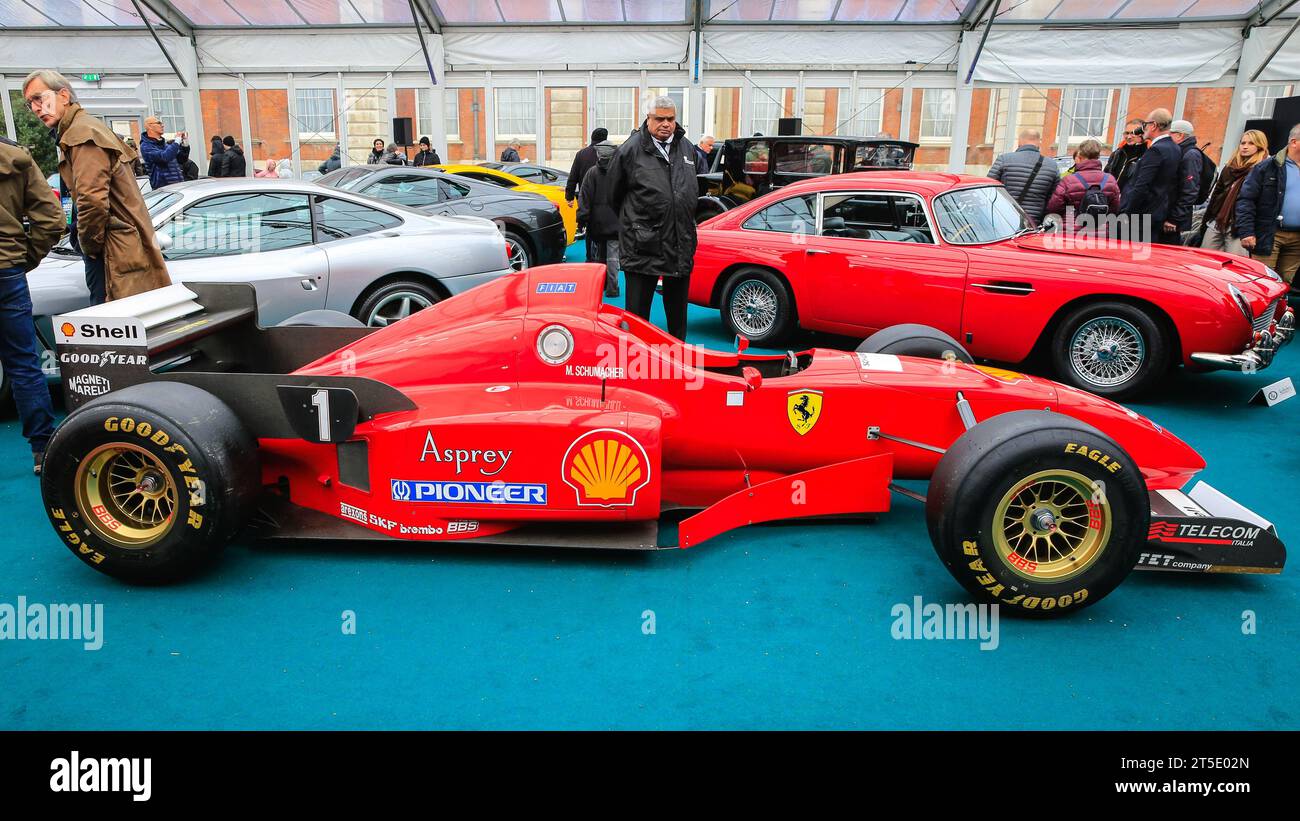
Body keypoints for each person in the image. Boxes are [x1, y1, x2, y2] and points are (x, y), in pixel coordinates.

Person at [23, 69, 171, 305]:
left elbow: (92, 201)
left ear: (64, 96)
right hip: (116, 247)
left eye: (39, 98)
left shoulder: (81, 134)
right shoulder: (79, 130)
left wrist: (88, 245)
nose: (36, 108)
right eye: (30, 103)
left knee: (113, 326)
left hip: (112, 252)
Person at [607, 95, 699, 340]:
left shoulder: (687, 147)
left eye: (670, 119)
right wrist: (639, 225)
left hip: (680, 242)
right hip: (642, 246)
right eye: (659, 119)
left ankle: (678, 365)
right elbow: (614, 196)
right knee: (637, 319)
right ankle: (635, 365)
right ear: (648, 118)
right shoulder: (629, 150)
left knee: (678, 318)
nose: (666, 124)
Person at [0, 134, 63, 474]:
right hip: (6, 271)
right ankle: (42, 448)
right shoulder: (15, 157)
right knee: (23, 363)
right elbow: (52, 220)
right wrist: (24, 258)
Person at [1236, 122, 1300, 285]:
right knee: (1262, 282)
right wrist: (1247, 231)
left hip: (1297, 240)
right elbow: (1246, 199)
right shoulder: (1268, 166)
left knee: (1285, 284)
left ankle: (1277, 312)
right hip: (1269, 233)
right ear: (1294, 142)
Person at [1201, 129, 1268, 257]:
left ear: (1260, 146)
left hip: (1240, 225)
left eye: (1251, 143)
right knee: (1205, 259)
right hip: (1218, 221)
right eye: (1243, 143)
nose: (1245, 146)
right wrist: (1210, 217)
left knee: (1236, 266)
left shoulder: (1262, 170)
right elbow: (1216, 194)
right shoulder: (1230, 167)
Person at [1121, 109, 1182, 244]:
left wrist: (1127, 212)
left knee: (1130, 257)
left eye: (1145, 125)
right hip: (1157, 212)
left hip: (1141, 216)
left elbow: (1142, 185)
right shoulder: (1175, 148)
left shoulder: (1156, 150)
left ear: (1153, 125)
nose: (1144, 129)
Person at [1044, 139, 1120, 237]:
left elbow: (1053, 207)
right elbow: (1115, 209)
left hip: (1071, 232)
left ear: (1079, 157)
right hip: (1100, 233)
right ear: (1097, 157)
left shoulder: (1068, 180)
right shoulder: (1110, 180)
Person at [577, 140, 620, 297]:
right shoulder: (620, 173)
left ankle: (600, 285)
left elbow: (584, 198)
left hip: (597, 222)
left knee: (598, 256)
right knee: (613, 257)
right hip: (616, 221)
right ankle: (613, 288)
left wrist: (582, 218)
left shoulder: (592, 173)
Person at [987, 129, 1057, 224]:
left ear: (1019, 141)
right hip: (1033, 221)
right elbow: (1054, 198)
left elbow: (989, 186)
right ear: (1039, 143)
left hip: (1005, 218)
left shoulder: (1004, 159)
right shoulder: (1052, 165)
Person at [1167, 119, 1204, 243]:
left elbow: (1190, 190)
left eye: (1170, 133)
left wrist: (1175, 219)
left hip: (1173, 221)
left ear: (1180, 135)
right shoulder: (1181, 152)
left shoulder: (1190, 155)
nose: (1168, 136)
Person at [139, 114, 188, 190]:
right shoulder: (146, 146)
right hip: (164, 190)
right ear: (149, 126)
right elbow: (164, 157)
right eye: (159, 123)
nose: (162, 125)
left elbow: (182, 159)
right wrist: (177, 141)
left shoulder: (165, 144)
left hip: (178, 187)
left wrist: (185, 143)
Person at [565, 127, 608, 210]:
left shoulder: (581, 154)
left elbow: (573, 176)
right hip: (604, 199)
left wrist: (569, 197)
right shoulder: (611, 154)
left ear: (592, 138)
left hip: (585, 196)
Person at [1105, 119, 1147, 192]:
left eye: (1133, 133)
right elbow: (1106, 174)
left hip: (1130, 198)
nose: (1129, 137)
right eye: (1126, 133)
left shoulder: (1146, 155)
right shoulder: (1117, 153)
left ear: (1142, 134)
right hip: (1112, 196)